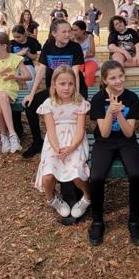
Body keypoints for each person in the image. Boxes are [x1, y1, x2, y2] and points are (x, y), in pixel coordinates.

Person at [88, 60, 139, 246]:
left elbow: (129, 132)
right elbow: (104, 132)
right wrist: (109, 112)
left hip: (126, 141)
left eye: (121, 76)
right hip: (104, 142)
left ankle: (134, 220)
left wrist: (119, 113)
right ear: (104, 80)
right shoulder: (97, 99)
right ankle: (97, 220)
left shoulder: (131, 98)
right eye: (113, 78)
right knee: (96, 177)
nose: (119, 81)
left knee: (136, 174)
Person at [21, 19, 85, 158]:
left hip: (73, 88)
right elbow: (41, 70)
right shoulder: (48, 46)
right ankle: (37, 142)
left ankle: (74, 140)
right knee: (30, 105)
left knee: (75, 108)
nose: (68, 34)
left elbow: (75, 74)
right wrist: (32, 94)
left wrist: (77, 95)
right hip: (54, 90)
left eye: (70, 31)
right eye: (64, 32)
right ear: (54, 33)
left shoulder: (75, 47)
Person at [34, 66, 92, 219]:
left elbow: (80, 131)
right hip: (55, 142)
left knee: (76, 173)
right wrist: (56, 148)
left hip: (75, 141)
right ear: (54, 85)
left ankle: (86, 198)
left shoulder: (80, 102)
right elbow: (50, 130)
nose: (67, 88)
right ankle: (52, 199)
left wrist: (71, 148)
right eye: (62, 84)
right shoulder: (49, 103)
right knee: (48, 176)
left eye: (70, 84)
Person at [0, 32, 31, 153]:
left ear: (4, 46)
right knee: (2, 95)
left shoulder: (16, 58)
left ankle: (4, 136)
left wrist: (14, 76)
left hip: (10, 87)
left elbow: (28, 76)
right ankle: (13, 135)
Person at [9, 24, 42, 89]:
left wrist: (27, 54)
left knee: (31, 77)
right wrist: (20, 53)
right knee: (9, 77)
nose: (16, 39)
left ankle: (31, 94)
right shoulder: (12, 43)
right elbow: (9, 57)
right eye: (14, 37)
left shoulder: (31, 42)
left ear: (24, 34)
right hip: (15, 65)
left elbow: (34, 57)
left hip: (27, 64)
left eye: (18, 37)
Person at [71, 20, 98, 86]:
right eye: (72, 30)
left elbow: (92, 53)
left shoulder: (89, 37)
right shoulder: (72, 39)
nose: (73, 32)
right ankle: (77, 92)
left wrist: (82, 53)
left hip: (90, 60)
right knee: (76, 72)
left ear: (83, 31)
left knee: (89, 73)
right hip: (78, 61)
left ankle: (88, 93)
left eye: (75, 30)